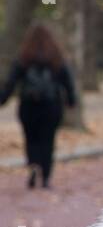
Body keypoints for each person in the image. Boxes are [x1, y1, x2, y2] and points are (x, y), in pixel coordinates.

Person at [0, 23, 77, 189]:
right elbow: (68, 81)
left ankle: (33, 164)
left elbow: (11, 82)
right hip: (51, 105)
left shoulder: (24, 58)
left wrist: (3, 99)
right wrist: (71, 100)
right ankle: (46, 176)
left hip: (29, 105)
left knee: (31, 139)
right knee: (48, 141)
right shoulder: (56, 58)